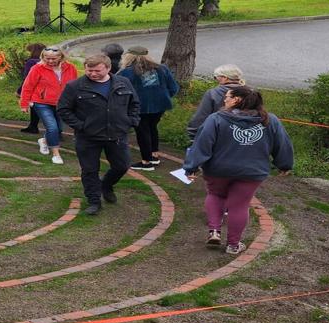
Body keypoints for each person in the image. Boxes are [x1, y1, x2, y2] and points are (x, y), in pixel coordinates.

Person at [181, 85, 293, 256]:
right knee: (239, 205)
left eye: (227, 96)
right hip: (252, 172)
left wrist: (192, 166)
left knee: (215, 195)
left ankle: (214, 231)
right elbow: (282, 144)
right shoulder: (269, 120)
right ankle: (233, 245)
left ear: (237, 100)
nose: (224, 100)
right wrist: (284, 164)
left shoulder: (216, 119)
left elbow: (202, 143)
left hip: (218, 169)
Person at [57, 53, 139, 216]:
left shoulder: (123, 83)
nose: (93, 74)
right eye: (89, 70)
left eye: (97, 71)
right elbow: (63, 109)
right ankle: (94, 201)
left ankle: (106, 185)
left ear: (108, 68)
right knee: (89, 170)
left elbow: (134, 103)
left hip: (116, 134)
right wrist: (81, 126)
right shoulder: (75, 86)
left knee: (122, 166)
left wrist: (131, 121)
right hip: (88, 137)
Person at [117, 46, 177, 170]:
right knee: (152, 128)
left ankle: (146, 162)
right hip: (161, 104)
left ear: (129, 56)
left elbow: (121, 91)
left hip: (138, 106)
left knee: (142, 131)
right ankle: (154, 155)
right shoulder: (162, 68)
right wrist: (165, 97)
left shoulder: (126, 72)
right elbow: (174, 88)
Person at [18, 46, 76, 166]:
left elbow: (74, 86)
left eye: (53, 58)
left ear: (61, 57)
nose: (50, 61)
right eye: (47, 58)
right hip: (41, 102)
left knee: (59, 129)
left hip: (61, 103)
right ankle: (56, 154)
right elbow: (28, 86)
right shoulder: (37, 68)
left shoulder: (70, 68)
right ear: (42, 57)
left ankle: (44, 140)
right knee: (52, 128)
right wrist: (24, 103)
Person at [186, 64, 244, 141]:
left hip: (217, 134)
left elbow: (202, 116)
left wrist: (192, 134)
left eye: (215, 77)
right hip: (241, 136)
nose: (215, 79)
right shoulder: (251, 93)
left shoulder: (213, 93)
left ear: (225, 78)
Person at [18, 43, 46, 134]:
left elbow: (27, 78)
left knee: (35, 107)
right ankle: (33, 126)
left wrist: (20, 90)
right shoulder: (47, 61)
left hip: (35, 88)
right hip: (46, 89)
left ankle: (34, 126)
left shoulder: (31, 62)